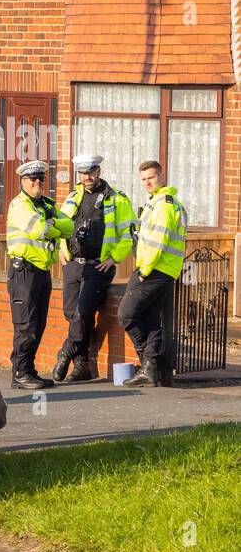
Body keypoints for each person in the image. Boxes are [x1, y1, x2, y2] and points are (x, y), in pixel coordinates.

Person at [51, 154, 136, 382]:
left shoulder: (116, 199)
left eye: (91, 172)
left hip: (98, 266)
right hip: (73, 265)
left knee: (83, 312)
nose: (87, 177)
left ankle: (65, 353)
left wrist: (115, 258)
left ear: (98, 171)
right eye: (82, 173)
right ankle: (82, 367)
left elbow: (128, 235)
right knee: (73, 316)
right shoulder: (72, 196)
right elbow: (62, 225)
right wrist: (61, 247)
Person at [118, 161, 187, 388]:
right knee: (150, 320)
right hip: (158, 268)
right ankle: (150, 370)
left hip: (156, 269)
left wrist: (144, 271)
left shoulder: (164, 205)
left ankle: (147, 364)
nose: (148, 182)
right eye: (144, 179)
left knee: (126, 314)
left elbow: (157, 242)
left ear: (161, 176)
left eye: (151, 177)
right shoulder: (155, 202)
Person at [6, 160, 73, 390]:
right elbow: (39, 229)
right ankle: (20, 373)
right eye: (32, 179)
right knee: (25, 325)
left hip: (42, 271)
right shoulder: (19, 205)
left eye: (40, 178)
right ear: (23, 181)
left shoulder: (46, 204)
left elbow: (69, 227)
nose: (37, 182)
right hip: (23, 270)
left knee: (38, 324)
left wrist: (51, 223)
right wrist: (54, 225)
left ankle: (29, 370)